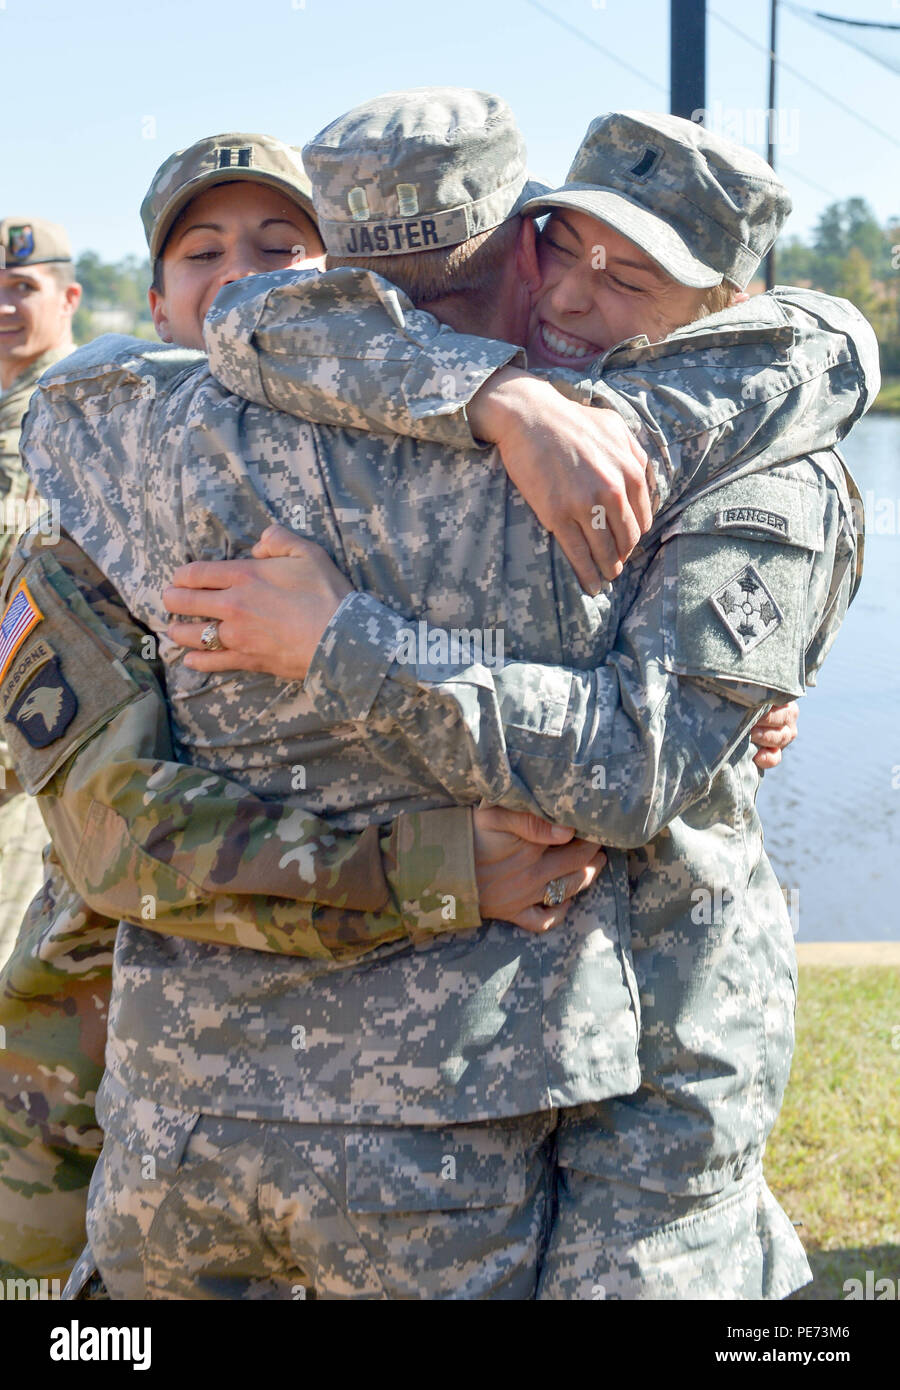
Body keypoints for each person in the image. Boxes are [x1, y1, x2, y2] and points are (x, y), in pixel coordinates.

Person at [16, 92, 874, 1299]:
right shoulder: (575, 453)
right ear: (523, 239)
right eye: (569, 248)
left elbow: (645, 753)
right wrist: (492, 400)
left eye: (631, 275)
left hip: (575, 1068)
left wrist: (725, 723)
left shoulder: (642, 464)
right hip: (403, 1106)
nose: (578, 294)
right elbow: (111, 824)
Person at [0, 129, 613, 1287]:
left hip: (426, 1119)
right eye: (204, 251)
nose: (244, 273)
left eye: (286, 245)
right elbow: (118, 838)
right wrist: (434, 865)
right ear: (162, 303)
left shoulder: (469, 483)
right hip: (148, 1101)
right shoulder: (92, 518)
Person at [0, 217, 83, 970]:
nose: (2, 306)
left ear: (68, 297)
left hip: (30, 759)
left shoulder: (77, 421)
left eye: (21, 288)